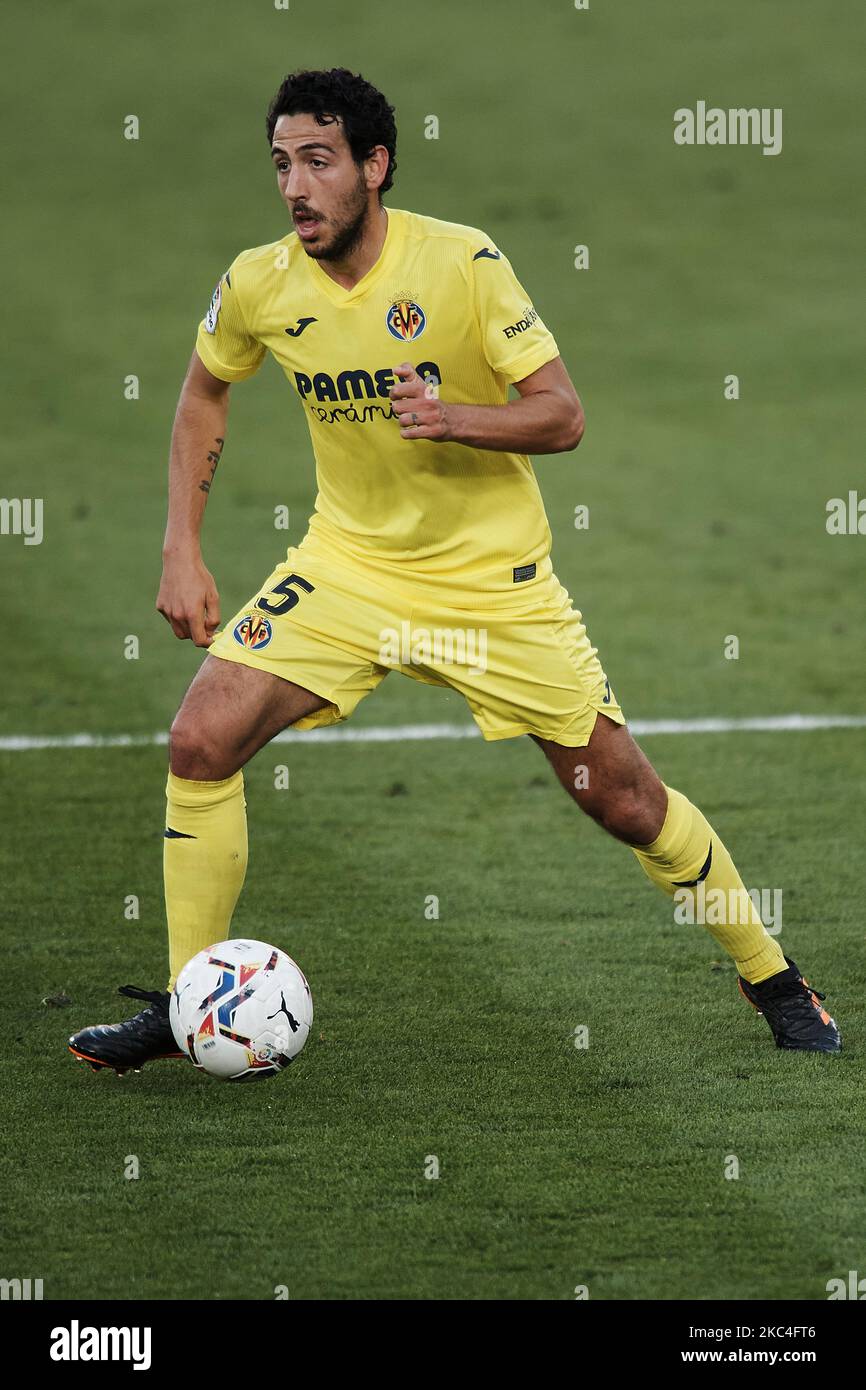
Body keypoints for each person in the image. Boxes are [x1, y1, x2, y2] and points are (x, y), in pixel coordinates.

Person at [68, 68, 839, 1074]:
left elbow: (561, 413)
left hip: (488, 586)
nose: (295, 187)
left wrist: (452, 418)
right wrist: (181, 544)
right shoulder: (259, 282)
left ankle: (770, 975)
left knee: (624, 803)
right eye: (279, 165)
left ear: (373, 166)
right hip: (345, 569)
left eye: (317, 161)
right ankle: (186, 1004)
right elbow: (204, 389)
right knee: (199, 739)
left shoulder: (462, 263)